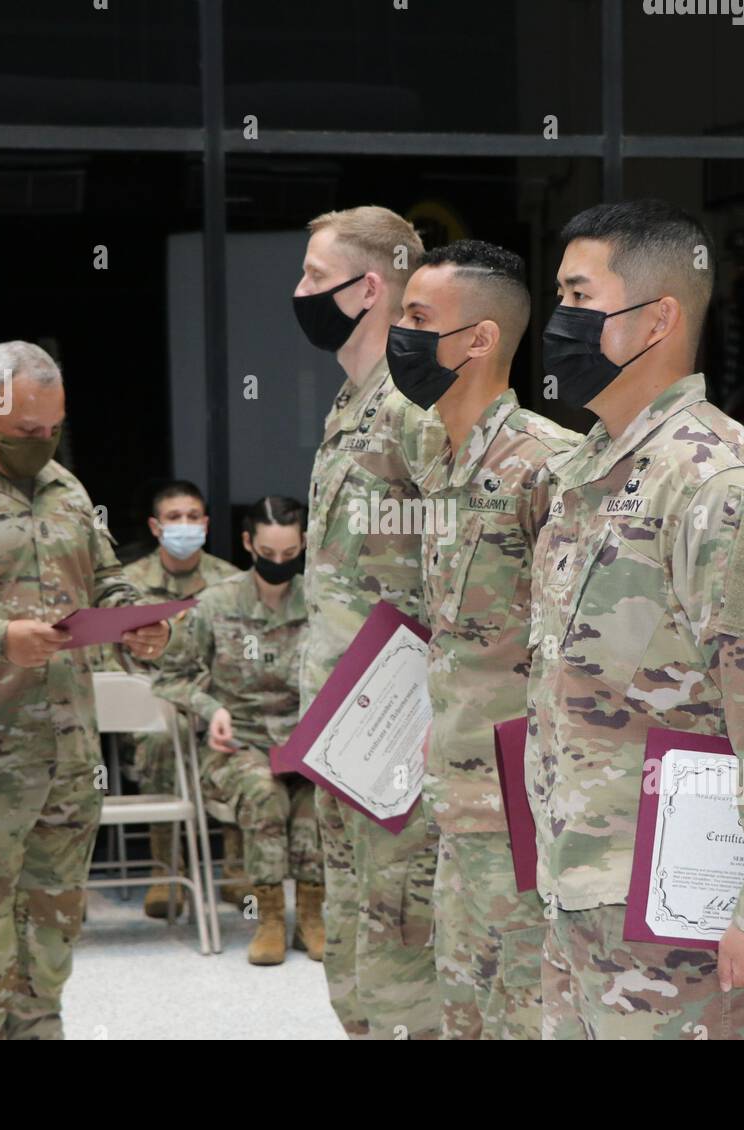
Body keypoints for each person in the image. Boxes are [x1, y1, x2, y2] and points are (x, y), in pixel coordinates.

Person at [527, 199, 744, 1039]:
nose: (557, 320)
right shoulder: (587, 475)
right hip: (585, 908)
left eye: (578, 296)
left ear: (658, 319)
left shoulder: (722, 489)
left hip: (690, 937)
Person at [0, 341, 169, 1039]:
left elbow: (104, 581)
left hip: (66, 763)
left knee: (51, 947)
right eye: (24, 433)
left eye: (52, 431)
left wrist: (136, 622)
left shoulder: (66, 488)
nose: (41, 444)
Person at [391, 240, 580, 1038]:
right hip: (455, 806)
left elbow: (585, 654)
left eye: (416, 319)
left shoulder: (550, 468)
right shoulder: (437, 460)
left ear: (479, 340)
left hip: (524, 816)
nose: (399, 335)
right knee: (463, 1011)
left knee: (525, 1016)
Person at [294, 205, 447, 1038]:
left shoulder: (417, 409)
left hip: (403, 742)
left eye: (315, 277)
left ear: (369, 287)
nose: (300, 293)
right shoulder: (353, 406)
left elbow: (475, 575)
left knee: (402, 975)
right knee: (355, 967)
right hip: (345, 740)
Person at [154, 496, 321, 965]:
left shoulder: (322, 602)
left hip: (303, 740)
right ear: (248, 543)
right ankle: (269, 918)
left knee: (317, 795)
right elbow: (172, 678)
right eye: (269, 555)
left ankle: (312, 915)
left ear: (303, 544)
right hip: (238, 743)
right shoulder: (216, 603)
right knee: (264, 790)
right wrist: (212, 711)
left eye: (290, 555)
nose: (279, 564)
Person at [119, 481, 241, 918]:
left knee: (241, 732)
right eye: (174, 518)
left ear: (206, 524)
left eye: (193, 517)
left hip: (214, 696)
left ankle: (236, 868)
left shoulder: (230, 581)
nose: (185, 525)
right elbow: (111, 654)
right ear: (155, 526)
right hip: (154, 697)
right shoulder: (129, 584)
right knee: (158, 739)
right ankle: (165, 870)